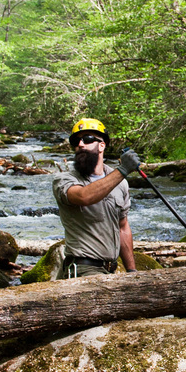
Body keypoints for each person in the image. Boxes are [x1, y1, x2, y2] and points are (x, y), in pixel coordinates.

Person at [52, 117, 143, 278]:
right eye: (77, 142)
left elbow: (122, 227)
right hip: (82, 269)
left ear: (102, 145)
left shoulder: (120, 183)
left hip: (110, 270)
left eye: (87, 139)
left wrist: (131, 271)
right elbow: (83, 196)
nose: (80, 145)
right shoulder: (64, 180)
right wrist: (123, 170)